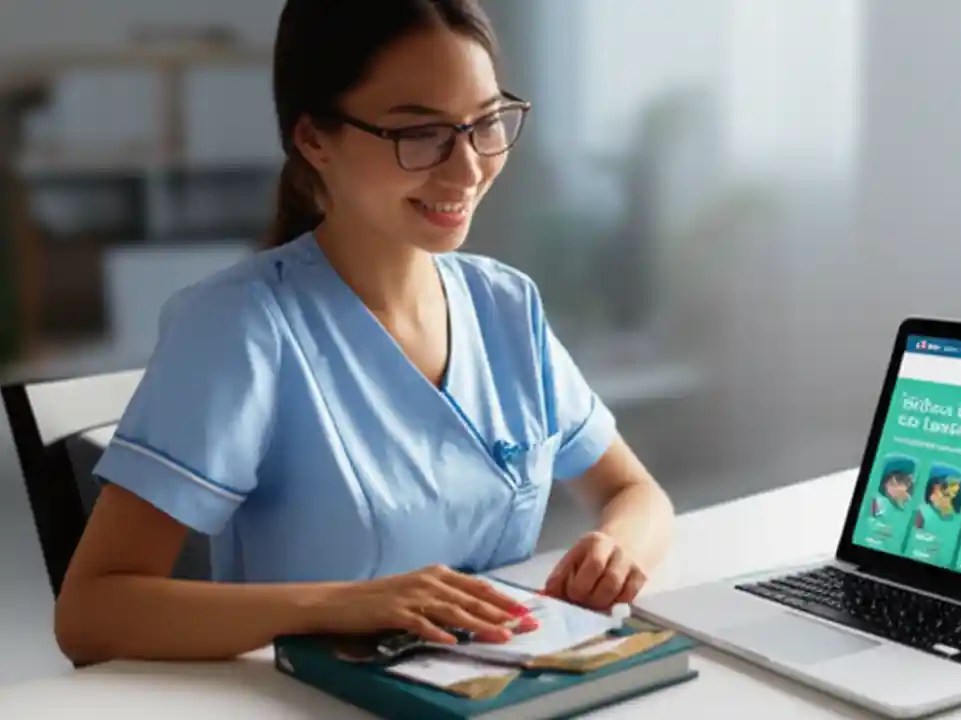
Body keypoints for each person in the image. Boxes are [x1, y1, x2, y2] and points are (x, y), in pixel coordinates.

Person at [53, 0, 673, 665]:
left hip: (504, 685)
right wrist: (337, 604)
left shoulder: (505, 305)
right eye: (421, 133)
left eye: (485, 123)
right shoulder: (239, 328)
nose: (467, 169)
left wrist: (616, 550)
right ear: (315, 139)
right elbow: (92, 612)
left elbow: (635, 493)